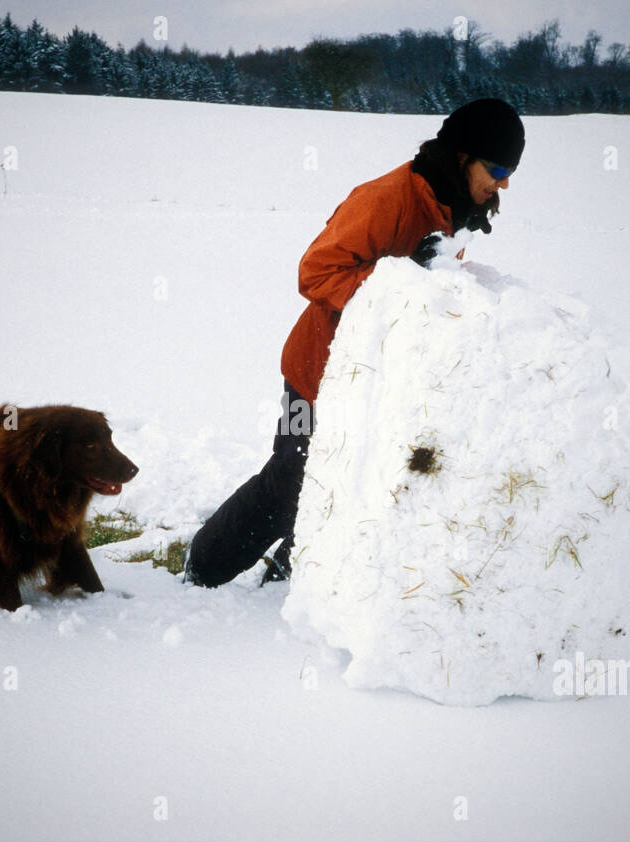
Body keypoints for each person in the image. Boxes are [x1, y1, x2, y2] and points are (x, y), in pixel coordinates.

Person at [184, 98, 526, 588]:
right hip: (314, 376)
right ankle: (204, 566)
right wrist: (403, 278)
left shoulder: (456, 207)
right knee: (291, 484)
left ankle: (295, 574)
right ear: (460, 156)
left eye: (511, 171)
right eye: (497, 168)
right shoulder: (384, 199)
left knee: (350, 483)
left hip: (375, 380)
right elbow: (315, 271)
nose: (505, 183)